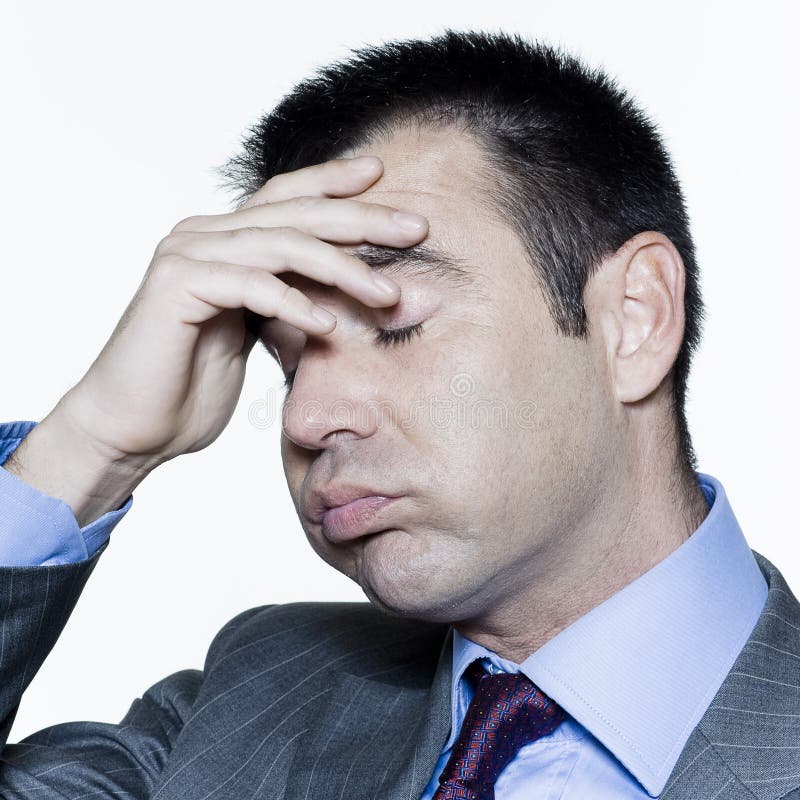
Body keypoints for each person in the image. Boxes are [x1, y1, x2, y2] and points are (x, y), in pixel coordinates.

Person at [0, 28, 797, 800]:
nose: (305, 419)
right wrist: (93, 446)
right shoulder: (253, 696)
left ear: (634, 318)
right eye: (286, 363)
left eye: (395, 324)